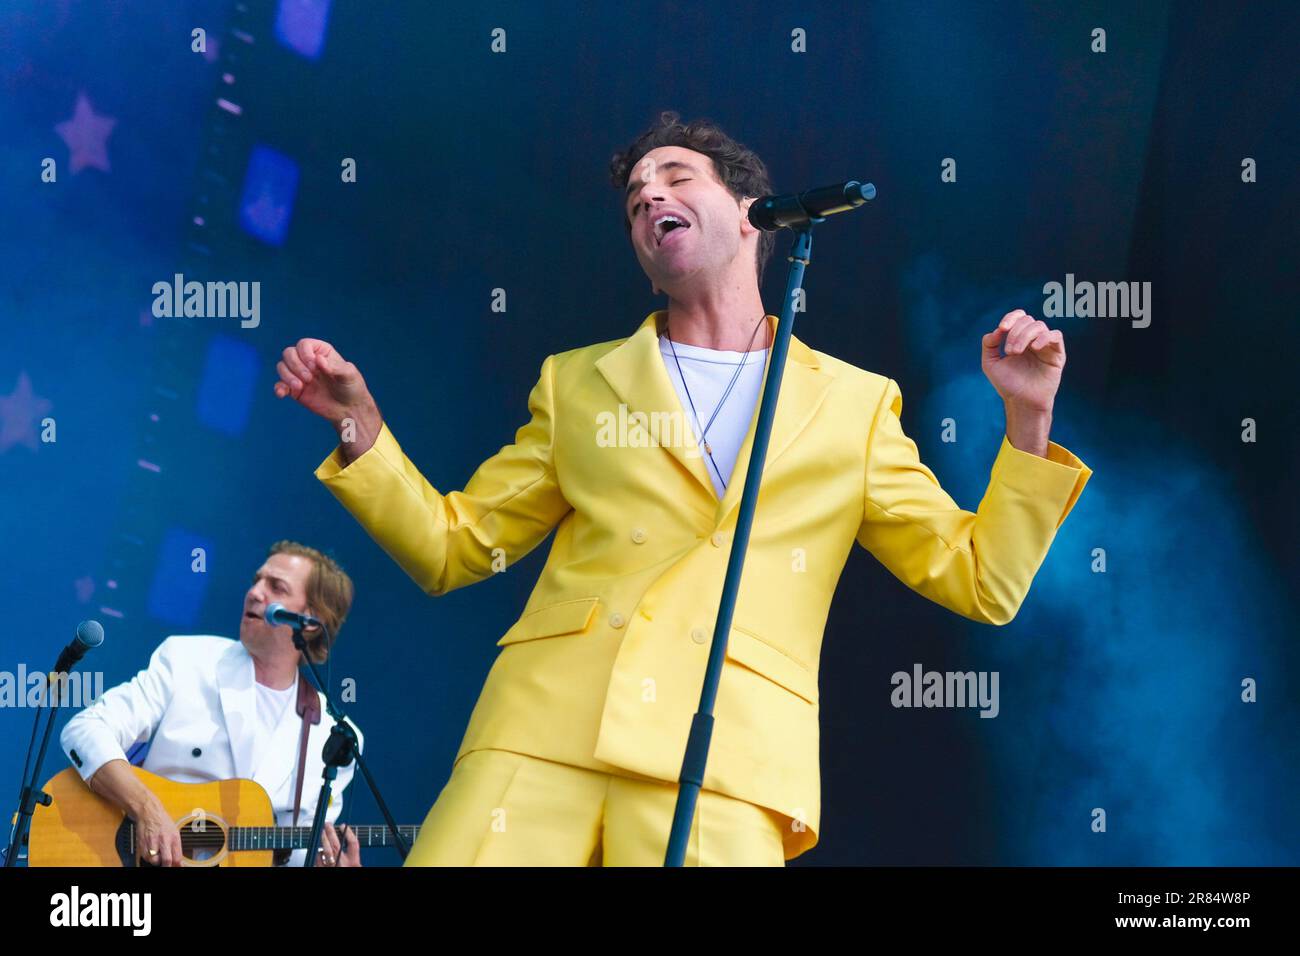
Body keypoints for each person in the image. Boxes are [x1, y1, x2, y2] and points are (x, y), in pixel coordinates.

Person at [273, 111, 1092, 866]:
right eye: (634, 199)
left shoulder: (854, 405)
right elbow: (454, 549)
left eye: (674, 177)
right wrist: (358, 423)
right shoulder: (579, 383)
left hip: (728, 764)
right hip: (540, 736)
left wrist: (1027, 421)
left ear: (751, 210)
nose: (649, 196)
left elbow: (981, 580)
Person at [60, 541, 363, 867]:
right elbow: (85, 729)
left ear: (311, 621)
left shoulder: (336, 736)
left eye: (276, 587)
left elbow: (299, 853)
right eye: (257, 580)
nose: (255, 592)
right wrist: (146, 807)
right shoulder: (189, 660)